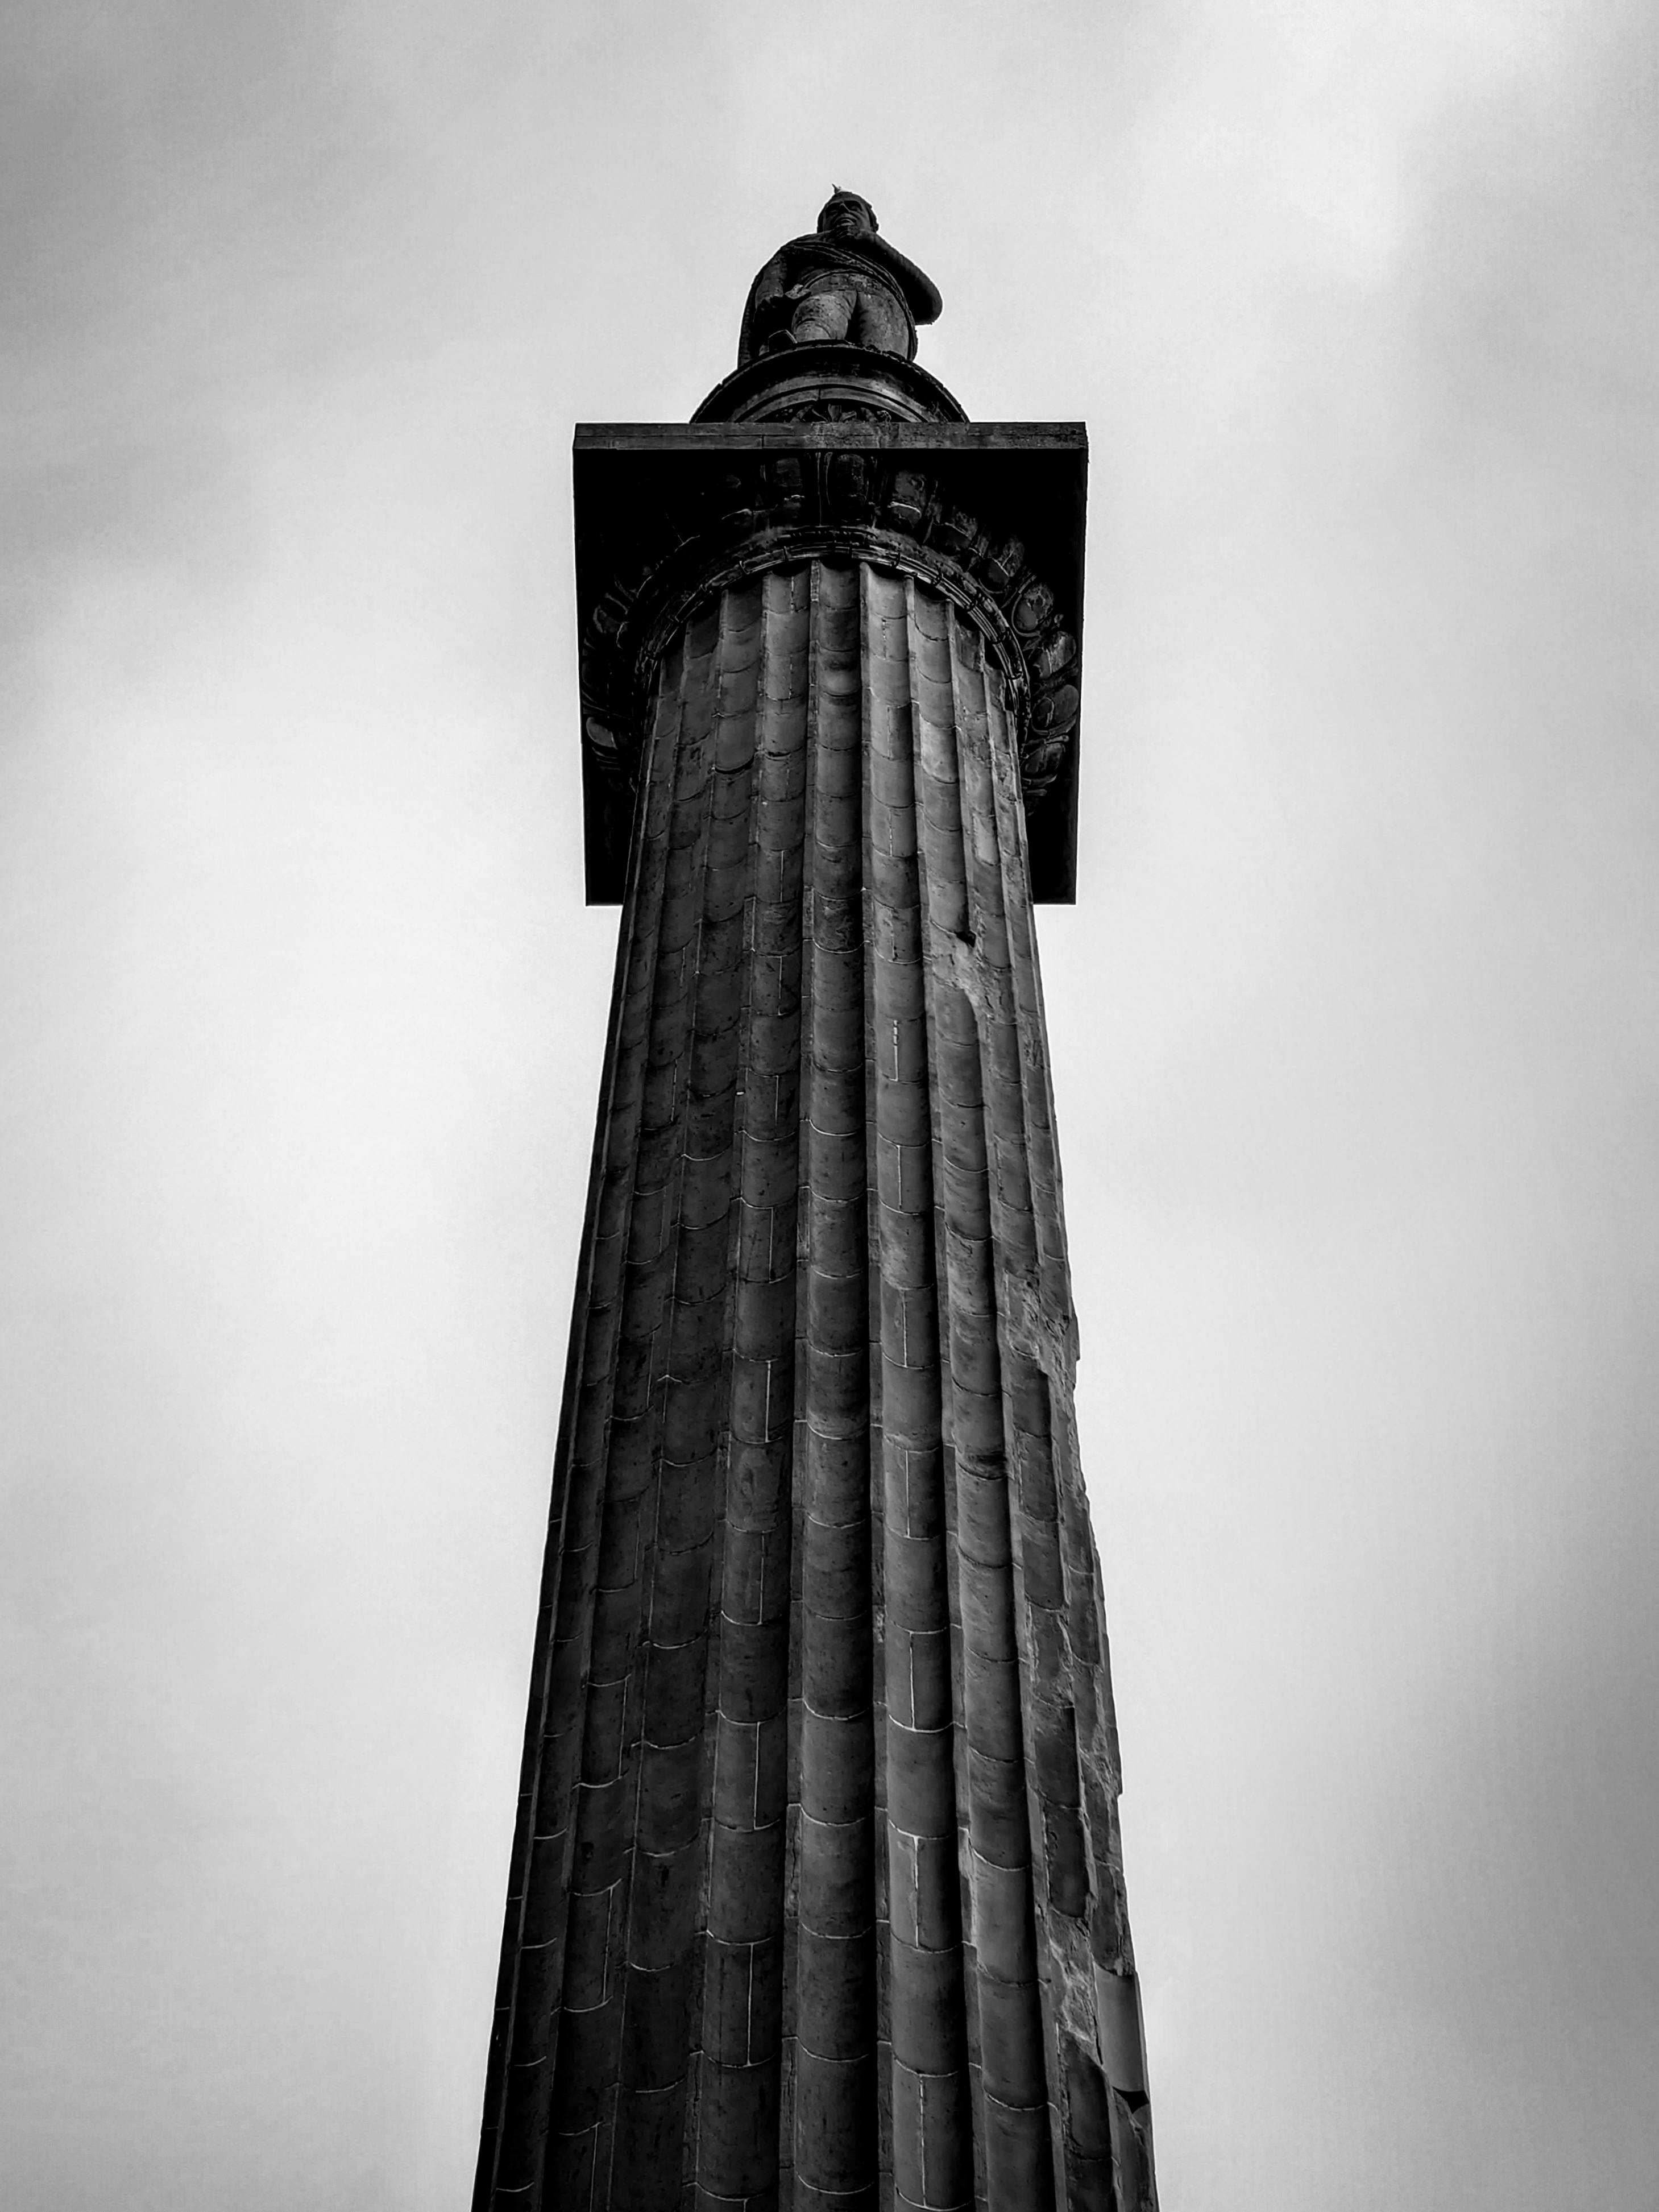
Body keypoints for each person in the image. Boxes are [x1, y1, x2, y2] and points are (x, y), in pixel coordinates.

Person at [738, 189, 943, 365]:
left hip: (887, 306)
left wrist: (871, 242)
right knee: (815, 321)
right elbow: (772, 281)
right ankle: (797, 363)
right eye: (833, 210)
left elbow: (931, 305)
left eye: (853, 207)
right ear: (821, 226)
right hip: (823, 290)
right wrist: (771, 301)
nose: (843, 211)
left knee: (881, 365)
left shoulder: (881, 254)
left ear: (873, 225)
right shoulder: (799, 248)